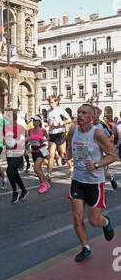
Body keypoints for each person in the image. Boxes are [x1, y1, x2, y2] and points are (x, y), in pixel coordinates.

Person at [62, 104, 117, 263]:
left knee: (93, 221)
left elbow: (112, 155)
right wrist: (67, 157)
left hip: (94, 182)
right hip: (78, 180)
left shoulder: (97, 133)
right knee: (77, 218)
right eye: (78, 112)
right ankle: (85, 248)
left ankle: (105, 222)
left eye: (83, 113)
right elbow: (71, 151)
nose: (79, 115)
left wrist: (97, 165)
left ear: (91, 117)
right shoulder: (73, 131)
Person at [2, 109, 28, 204]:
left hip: (18, 153)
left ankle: (15, 192)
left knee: (9, 171)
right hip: (9, 153)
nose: (6, 117)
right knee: (15, 174)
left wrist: (19, 141)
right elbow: (2, 139)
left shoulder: (20, 127)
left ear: (14, 117)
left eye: (9, 116)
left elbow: (28, 136)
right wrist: (3, 140)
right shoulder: (4, 128)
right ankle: (24, 191)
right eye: (6, 116)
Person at [46, 95, 73, 182]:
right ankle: (49, 174)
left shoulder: (60, 110)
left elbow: (69, 120)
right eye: (49, 103)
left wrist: (60, 123)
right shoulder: (48, 111)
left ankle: (71, 166)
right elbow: (49, 122)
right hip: (52, 134)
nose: (50, 104)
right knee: (50, 155)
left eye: (52, 102)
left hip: (60, 134)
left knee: (63, 155)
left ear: (56, 102)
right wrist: (48, 125)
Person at [93, 107, 118, 190]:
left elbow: (112, 137)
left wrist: (103, 141)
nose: (93, 115)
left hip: (104, 153)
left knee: (102, 172)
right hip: (94, 153)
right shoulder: (90, 125)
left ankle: (111, 177)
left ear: (99, 114)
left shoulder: (103, 125)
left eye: (95, 113)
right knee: (94, 171)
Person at [26, 116, 50, 194]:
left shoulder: (43, 130)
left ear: (39, 122)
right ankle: (46, 182)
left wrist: (45, 139)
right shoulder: (30, 131)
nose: (34, 122)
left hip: (42, 150)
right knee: (39, 169)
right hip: (34, 151)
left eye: (36, 121)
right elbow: (29, 138)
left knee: (36, 169)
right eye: (33, 121)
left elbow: (48, 137)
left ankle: (43, 185)